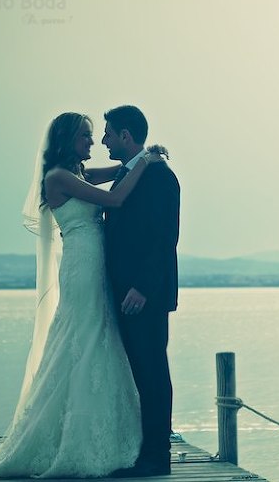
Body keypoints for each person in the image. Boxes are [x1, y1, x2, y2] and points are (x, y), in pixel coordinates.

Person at [0, 112, 161, 477]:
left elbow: (119, 173)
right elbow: (114, 200)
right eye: (85, 135)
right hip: (82, 266)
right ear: (68, 140)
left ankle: (105, 432)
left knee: (98, 339)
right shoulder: (59, 177)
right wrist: (146, 160)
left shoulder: (79, 174)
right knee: (82, 338)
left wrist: (142, 158)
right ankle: (70, 437)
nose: (92, 141)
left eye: (94, 135)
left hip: (97, 264)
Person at [102, 105, 180, 478]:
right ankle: (143, 452)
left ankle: (157, 458)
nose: (104, 140)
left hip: (143, 296)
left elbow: (164, 239)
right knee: (140, 373)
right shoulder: (128, 173)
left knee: (152, 374)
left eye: (108, 134)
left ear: (125, 136)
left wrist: (143, 288)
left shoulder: (160, 177)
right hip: (125, 294)